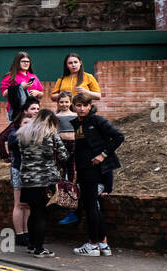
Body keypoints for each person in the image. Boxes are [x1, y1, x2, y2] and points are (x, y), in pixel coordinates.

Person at [72, 91, 122, 256]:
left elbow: (118, 137)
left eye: (84, 105)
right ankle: (103, 244)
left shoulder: (96, 120)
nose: (81, 108)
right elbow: (80, 149)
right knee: (94, 206)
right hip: (84, 171)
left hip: (96, 171)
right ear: (74, 106)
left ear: (90, 107)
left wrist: (102, 155)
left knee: (91, 206)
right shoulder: (78, 124)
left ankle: (93, 244)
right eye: (78, 105)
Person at [17, 111, 68, 258]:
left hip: (27, 179)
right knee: (42, 214)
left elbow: (21, 155)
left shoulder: (22, 134)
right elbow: (63, 156)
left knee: (33, 212)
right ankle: (39, 249)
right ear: (50, 121)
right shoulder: (51, 135)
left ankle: (32, 245)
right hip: (45, 180)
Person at [7, 101, 41, 247]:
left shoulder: (33, 135)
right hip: (18, 170)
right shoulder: (14, 135)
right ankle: (20, 235)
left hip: (31, 172)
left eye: (30, 123)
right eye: (25, 123)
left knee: (28, 205)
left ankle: (27, 233)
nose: (27, 126)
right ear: (19, 123)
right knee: (19, 204)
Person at [53, 91, 80, 225]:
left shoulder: (75, 115)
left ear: (71, 102)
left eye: (66, 102)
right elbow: (55, 131)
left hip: (74, 144)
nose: (64, 104)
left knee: (72, 168)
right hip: (62, 145)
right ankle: (64, 188)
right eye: (61, 102)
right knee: (63, 168)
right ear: (58, 103)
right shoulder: (56, 116)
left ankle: (73, 186)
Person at [0, 51, 44, 120]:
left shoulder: (33, 76)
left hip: (32, 111)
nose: (26, 63)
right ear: (17, 63)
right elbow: (4, 94)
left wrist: (37, 93)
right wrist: (19, 87)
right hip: (16, 111)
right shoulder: (10, 76)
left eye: (28, 61)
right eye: (23, 61)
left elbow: (41, 94)